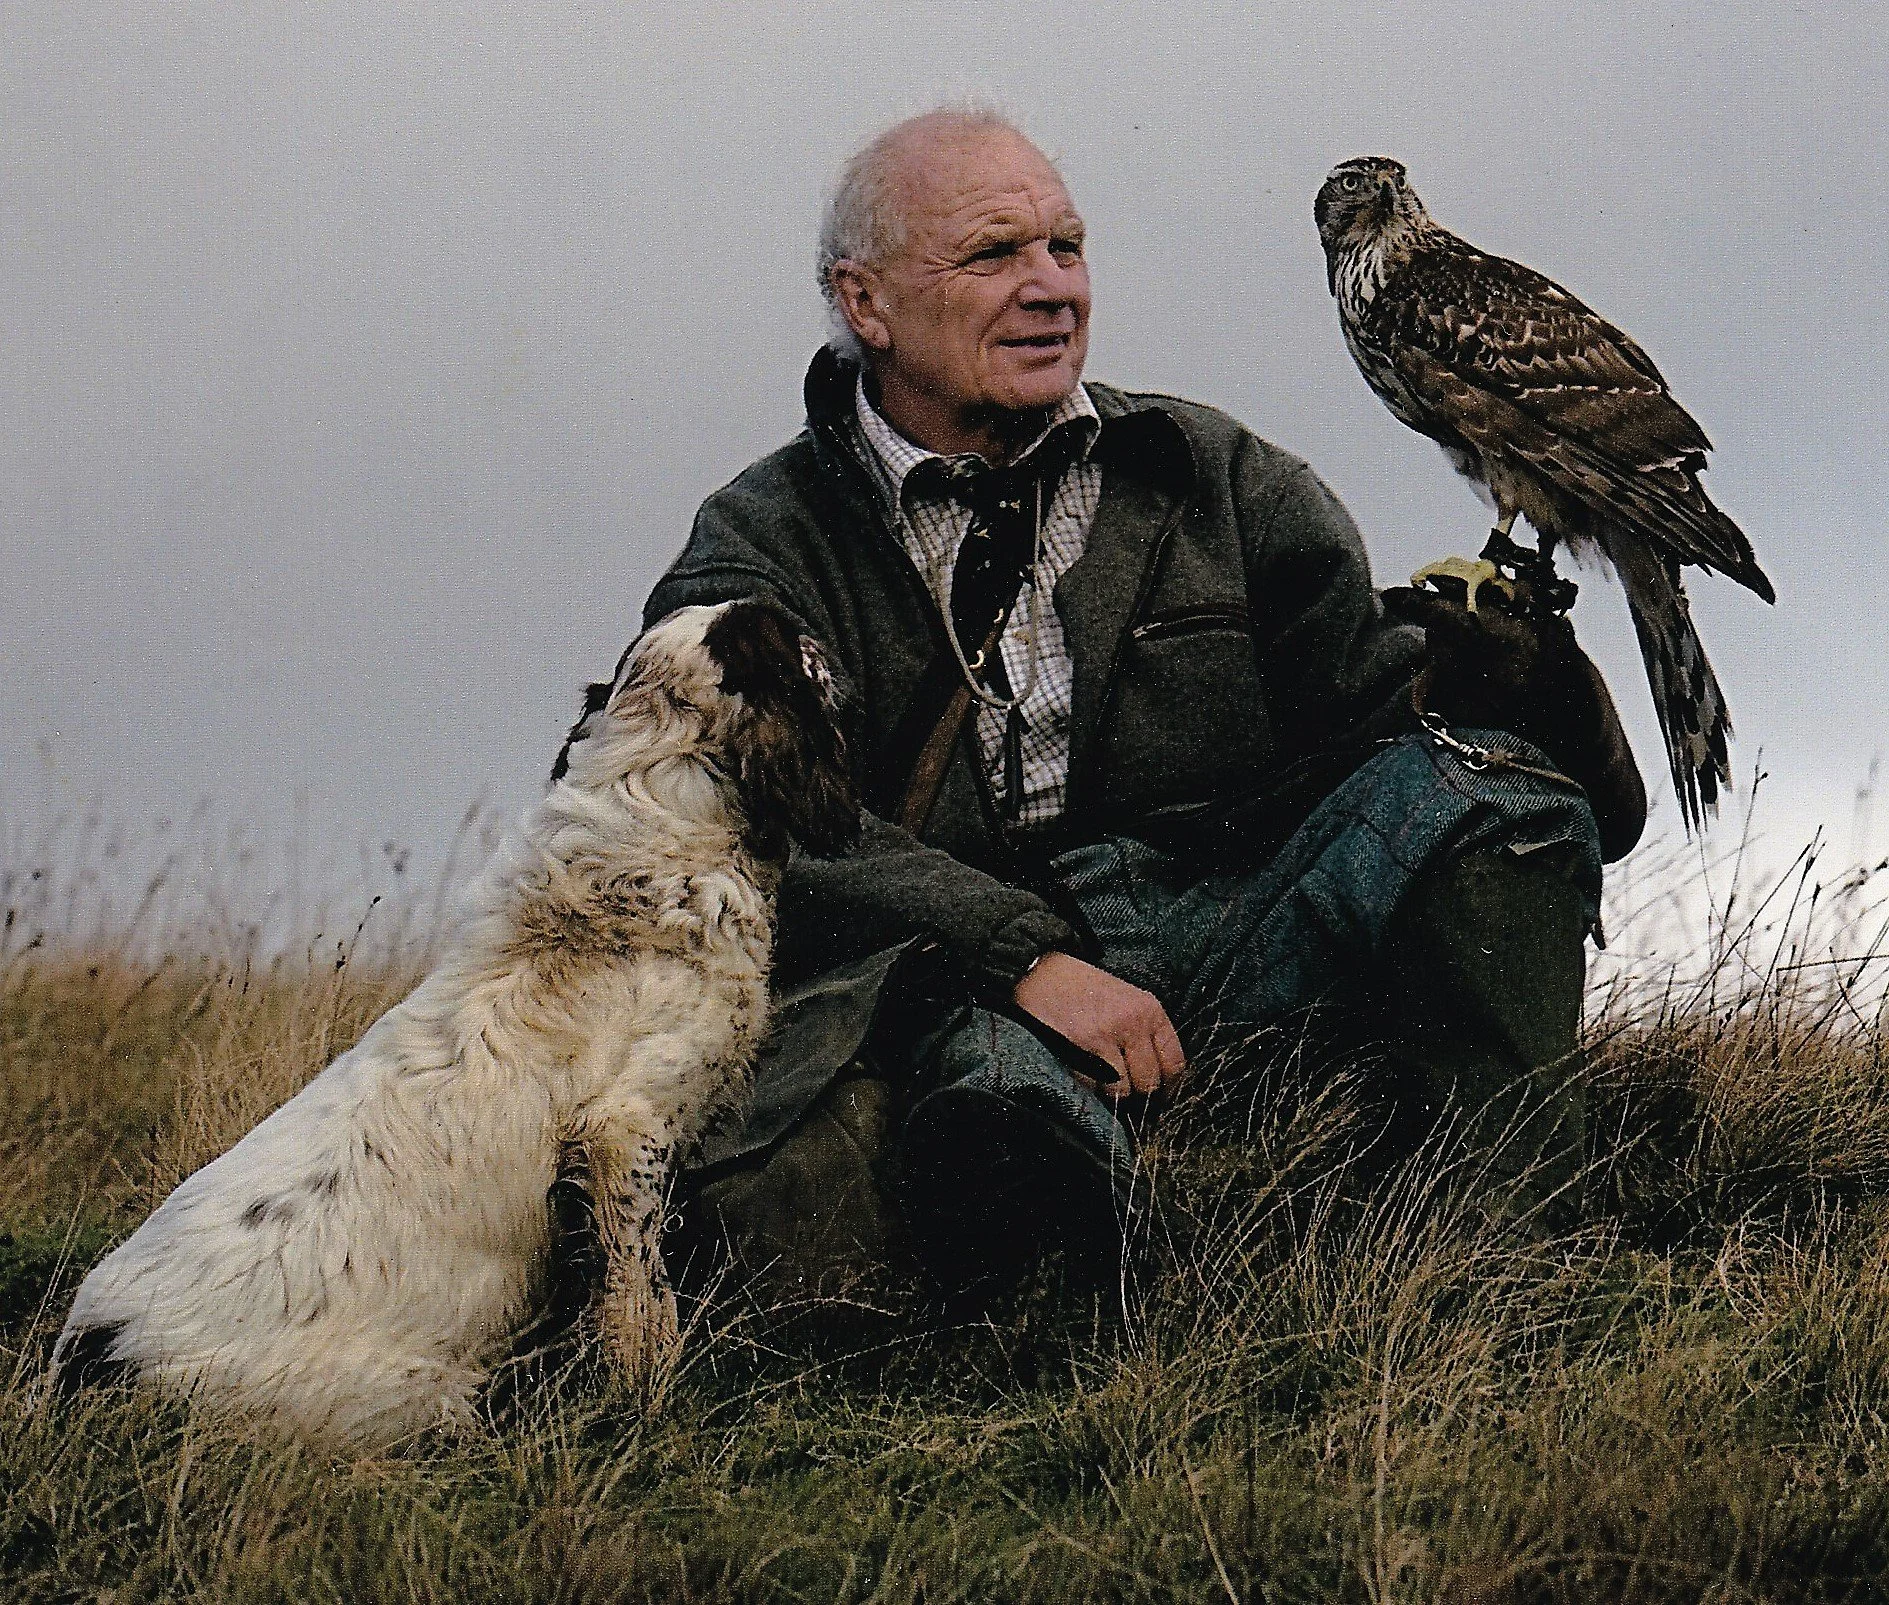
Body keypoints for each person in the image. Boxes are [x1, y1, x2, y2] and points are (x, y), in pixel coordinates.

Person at [646, 109, 1647, 1296]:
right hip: (950, 976)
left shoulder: (1212, 474)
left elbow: (1402, 749)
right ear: (864, 304)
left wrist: (1533, 683)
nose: (1049, 290)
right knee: (994, 1133)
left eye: (1065, 250)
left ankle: (1498, 1272)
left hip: (1225, 934)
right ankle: (1089, 1295)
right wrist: (1019, 956)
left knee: (1491, 811)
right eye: (992, 257)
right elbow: (678, 799)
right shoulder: (770, 537)